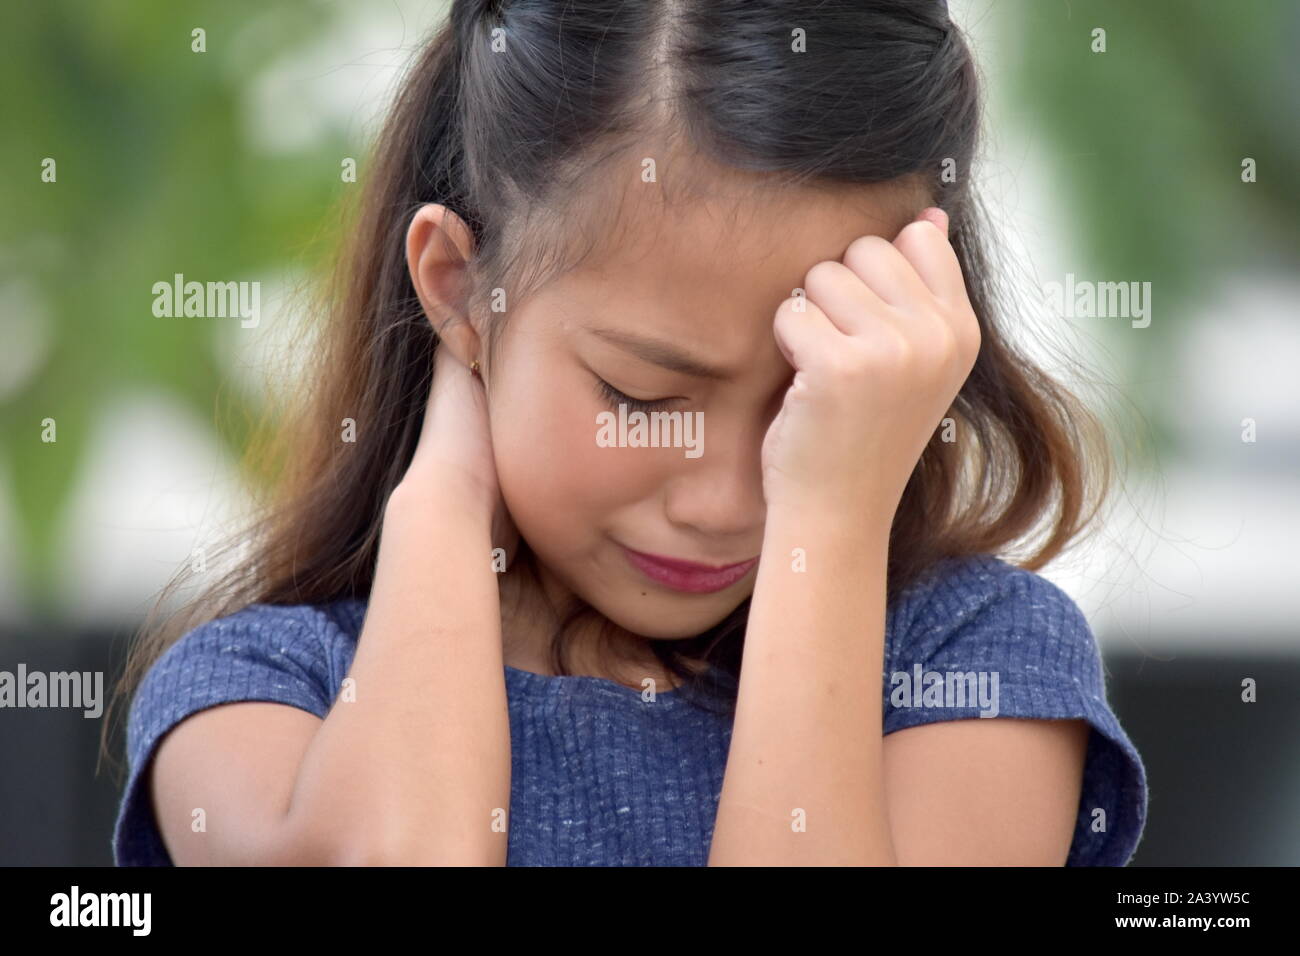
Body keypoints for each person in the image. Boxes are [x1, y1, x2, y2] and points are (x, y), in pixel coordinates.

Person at [108, 0, 1147, 866]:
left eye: (816, 398)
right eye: (644, 395)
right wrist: (443, 500)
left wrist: (825, 523)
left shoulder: (968, 665)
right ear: (457, 287)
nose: (726, 500)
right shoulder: (259, 694)